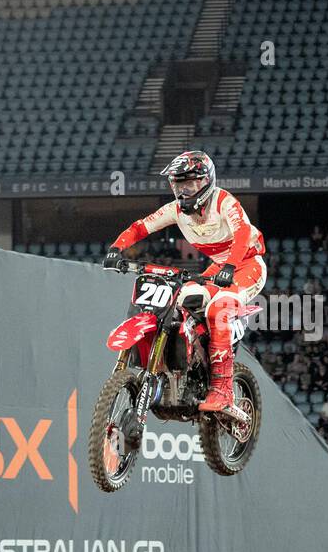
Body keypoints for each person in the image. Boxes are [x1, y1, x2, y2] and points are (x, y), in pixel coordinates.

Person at [104, 151, 266, 414]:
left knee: (219, 308)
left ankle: (223, 390)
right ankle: (192, 366)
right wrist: (116, 248)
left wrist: (230, 266)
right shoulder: (176, 210)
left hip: (247, 264)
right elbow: (141, 227)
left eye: (189, 184)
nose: (183, 190)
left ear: (205, 181)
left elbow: (243, 234)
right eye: (178, 184)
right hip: (218, 268)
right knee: (182, 298)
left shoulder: (224, 201)